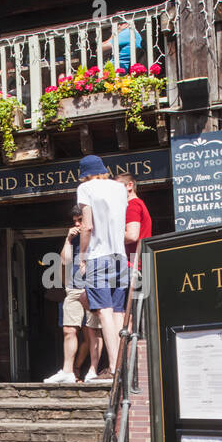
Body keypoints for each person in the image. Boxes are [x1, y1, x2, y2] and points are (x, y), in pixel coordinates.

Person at [75, 155, 129, 384]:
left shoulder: (85, 188)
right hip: (120, 255)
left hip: (98, 255)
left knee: (104, 312)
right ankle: (124, 364)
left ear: (86, 173)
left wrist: (83, 257)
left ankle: (115, 368)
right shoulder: (119, 188)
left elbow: (87, 225)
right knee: (118, 313)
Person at [44, 205, 100, 384]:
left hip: (93, 285)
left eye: (80, 220)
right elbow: (64, 261)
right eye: (74, 221)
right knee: (69, 329)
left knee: (93, 330)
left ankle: (93, 370)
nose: (76, 224)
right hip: (74, 287)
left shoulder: (98, 236)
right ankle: (68, 371)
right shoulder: (74, 238)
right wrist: (68, 240)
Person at [116, 173, 153, 275]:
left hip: (132, 265)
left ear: (130, 185)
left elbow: (132, 236)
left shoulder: (131, 205)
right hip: (140, 264)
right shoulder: (139, 203)